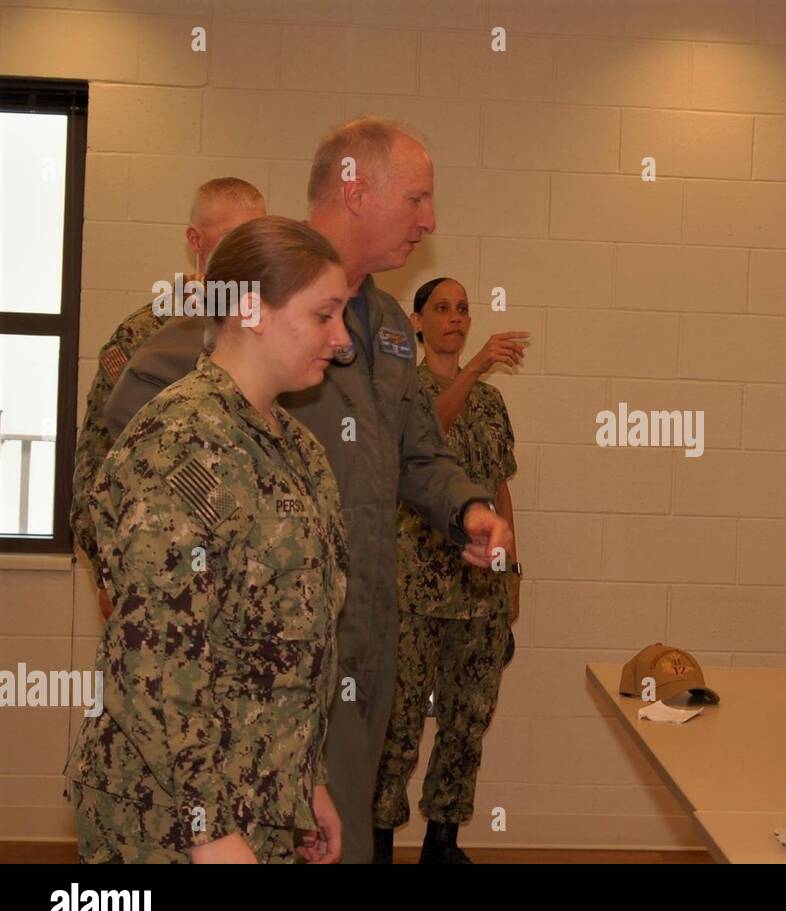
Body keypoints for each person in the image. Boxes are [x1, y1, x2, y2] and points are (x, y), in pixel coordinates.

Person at [100, 118, 513, 863]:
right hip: (238, 683)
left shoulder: (384, 325)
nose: (431, 221)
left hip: (343, 649)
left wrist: (466, 507)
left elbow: (420, 449)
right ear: (356, 191)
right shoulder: (254, 291)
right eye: (416, 198)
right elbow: (158, 665)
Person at [67, 216, 351, 863]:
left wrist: (307, 781)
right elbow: (152, 662)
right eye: (324, 314)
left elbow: (289, 647)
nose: (340, 338)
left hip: (260, 797)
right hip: (168, 816)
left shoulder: (295, 448)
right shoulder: (182, 442)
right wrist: (208, 827)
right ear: (251, 309)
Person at [372, 277, 527, 864]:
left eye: (463, 308)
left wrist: (514, 571)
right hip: (414, 590)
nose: (455, 318)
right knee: (399, 725)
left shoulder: (492, 402)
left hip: (480, 593)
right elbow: (423, 438)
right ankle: (380, 843)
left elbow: (500, 488)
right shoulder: (401, 390)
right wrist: (477, 366)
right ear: (416, 322)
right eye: (441, 307)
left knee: (467, 724)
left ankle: (443, 843)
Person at [71, 177, 265, 616]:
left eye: (255, 239)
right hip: (159, 574)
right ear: (195, 240)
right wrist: (110, 572)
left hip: (246, 581)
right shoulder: (143, 336)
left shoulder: (267, 334)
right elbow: (99, 462)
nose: (247, 254)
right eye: (232, 238)